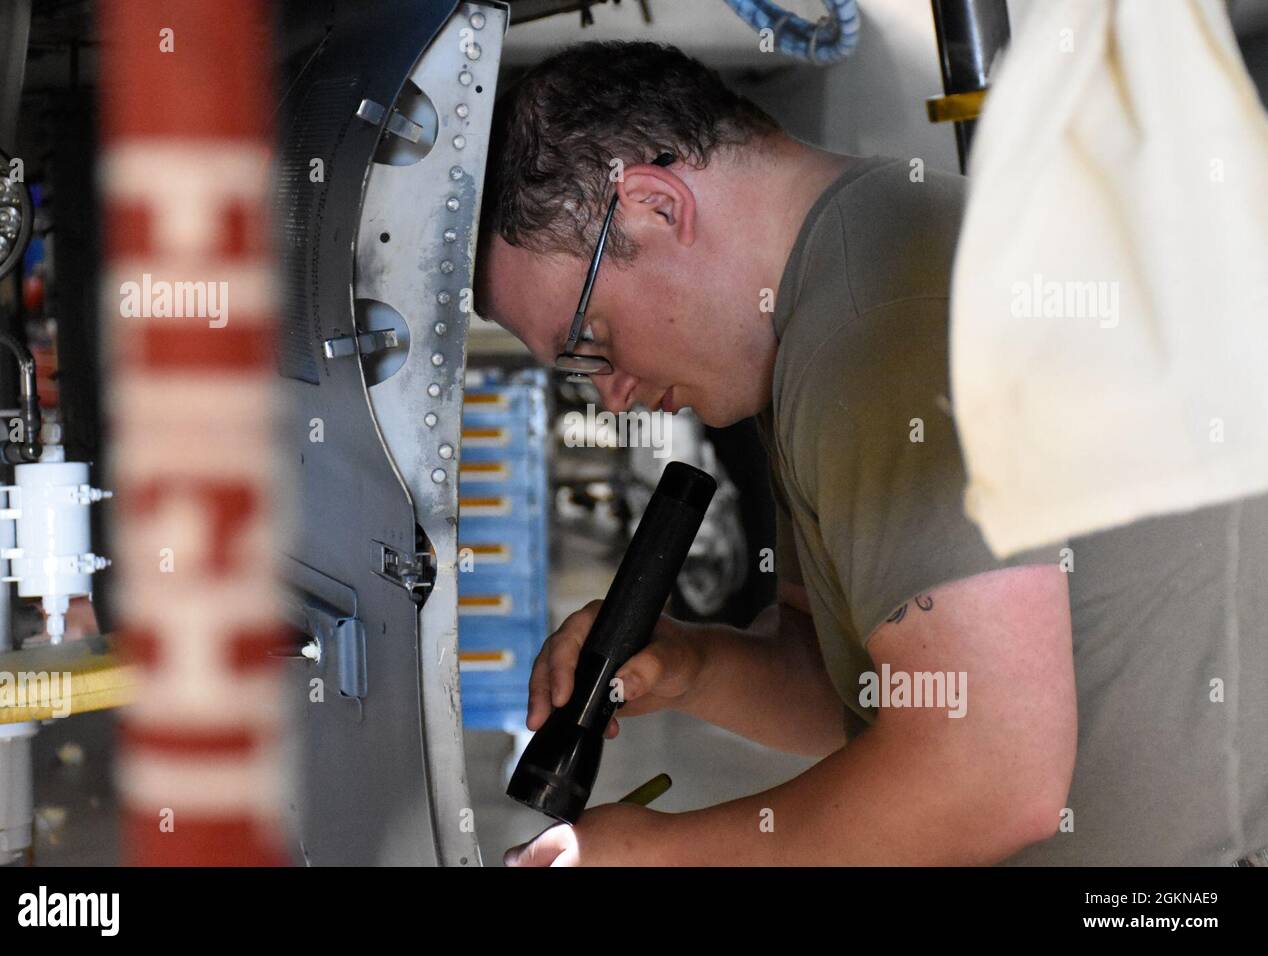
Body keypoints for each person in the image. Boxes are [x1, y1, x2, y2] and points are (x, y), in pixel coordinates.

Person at [473, 41, 1268, 866]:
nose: (612, 393)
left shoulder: (881, 323)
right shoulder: (834, 298)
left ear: (654, 206)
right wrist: (694, 664)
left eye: (591, 339)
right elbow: (882, 683)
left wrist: (662, 857)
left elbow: (991, 775)